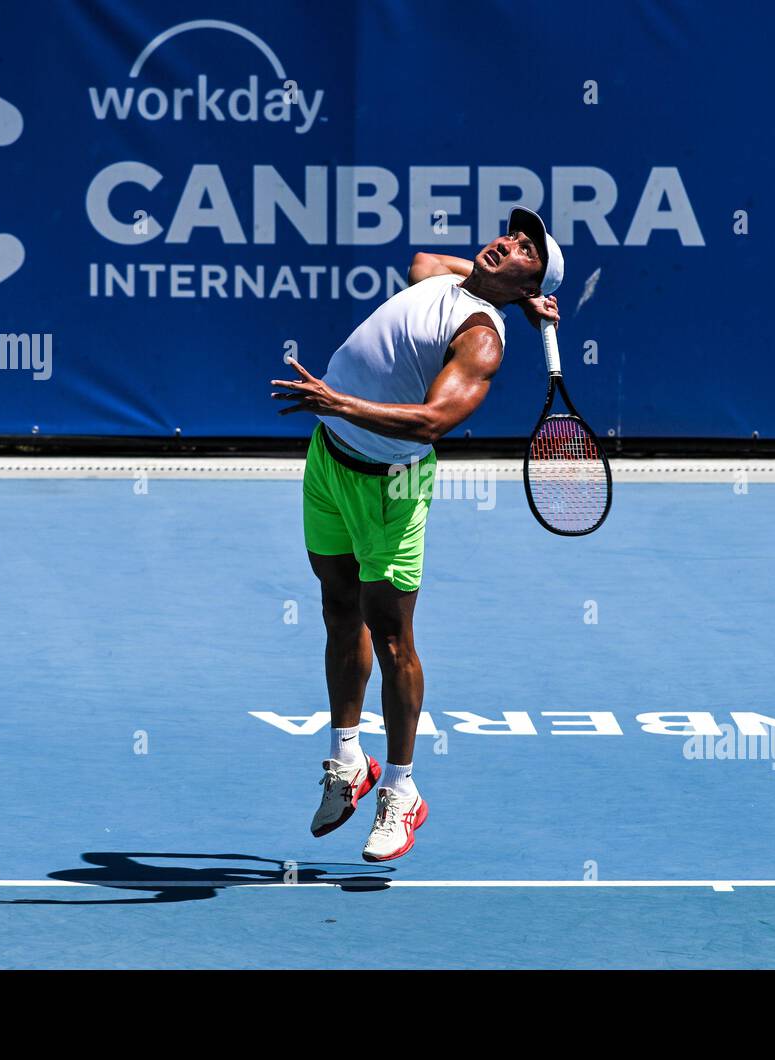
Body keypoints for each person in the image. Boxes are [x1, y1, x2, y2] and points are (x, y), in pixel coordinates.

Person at [270, 207, 564, 861]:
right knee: (338, 611)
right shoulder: (449, 283)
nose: (505, 243)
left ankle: (401, 792)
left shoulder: (481, 340)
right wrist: (519, 293)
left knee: (394, 637)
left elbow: (433, 420)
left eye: (524, 251)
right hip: (330, 460)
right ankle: (348, 761)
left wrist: (340, 401)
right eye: (509, 235)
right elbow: (425, 260)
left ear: (527, 282)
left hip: (389, 485)